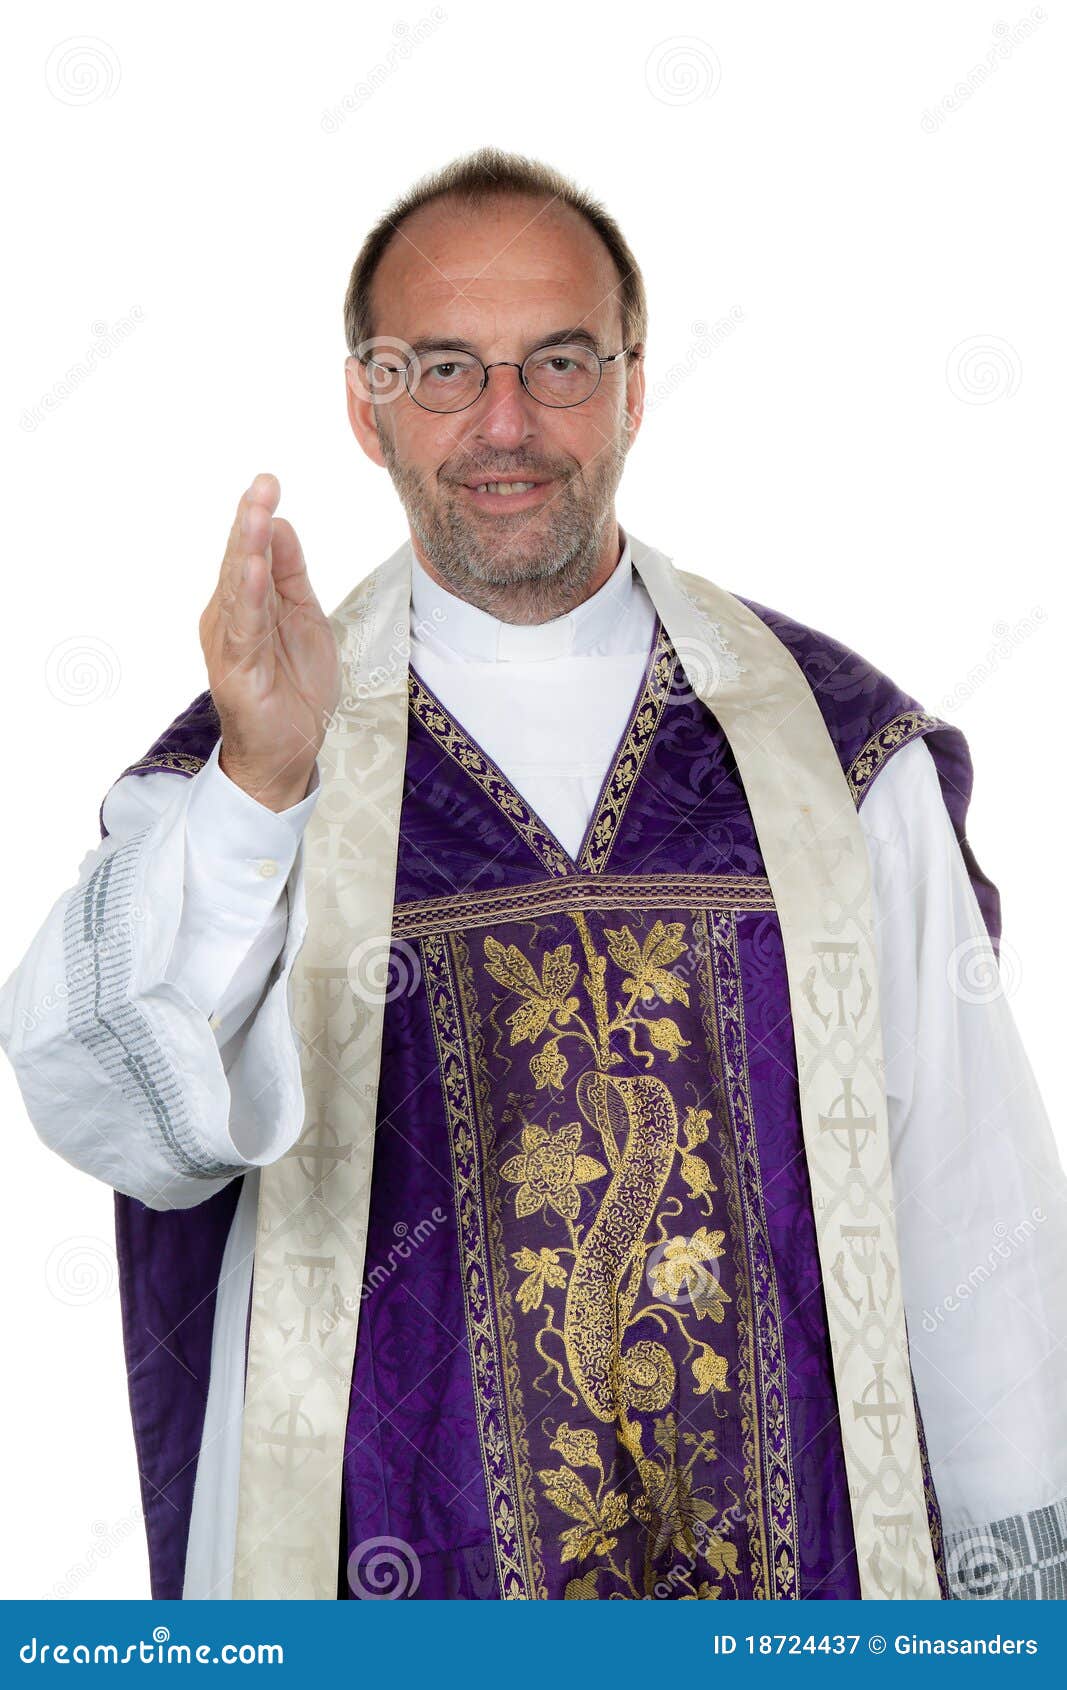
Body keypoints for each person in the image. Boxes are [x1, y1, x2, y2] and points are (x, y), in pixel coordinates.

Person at [2, 147, 1065, 1605]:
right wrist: (258, 787)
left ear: (634, 383)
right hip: (388, 1578)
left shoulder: (835, 753)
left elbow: (972, 1197)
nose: (505, 423)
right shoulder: (247, 761)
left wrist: (1026, 1589)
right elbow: (114, 1111)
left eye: (559, 361)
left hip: (796, 1578)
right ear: (366, 407)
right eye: (441, 368)